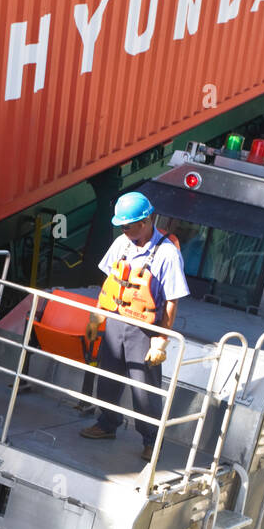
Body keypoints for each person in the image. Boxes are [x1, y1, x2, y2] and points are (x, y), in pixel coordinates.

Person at [79, 191, 190, 459]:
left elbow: (172, 302)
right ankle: (107, 424)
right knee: (108, 379)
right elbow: (108, 286)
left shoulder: (167, 255)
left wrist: (160, 340)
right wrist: (96, 319)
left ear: (145, 221)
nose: (124, 230)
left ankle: (151, 440)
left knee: (143, 391)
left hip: (144, 330)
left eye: (128, 226)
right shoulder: (121, 244)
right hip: (116, 322)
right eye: (122, 226)